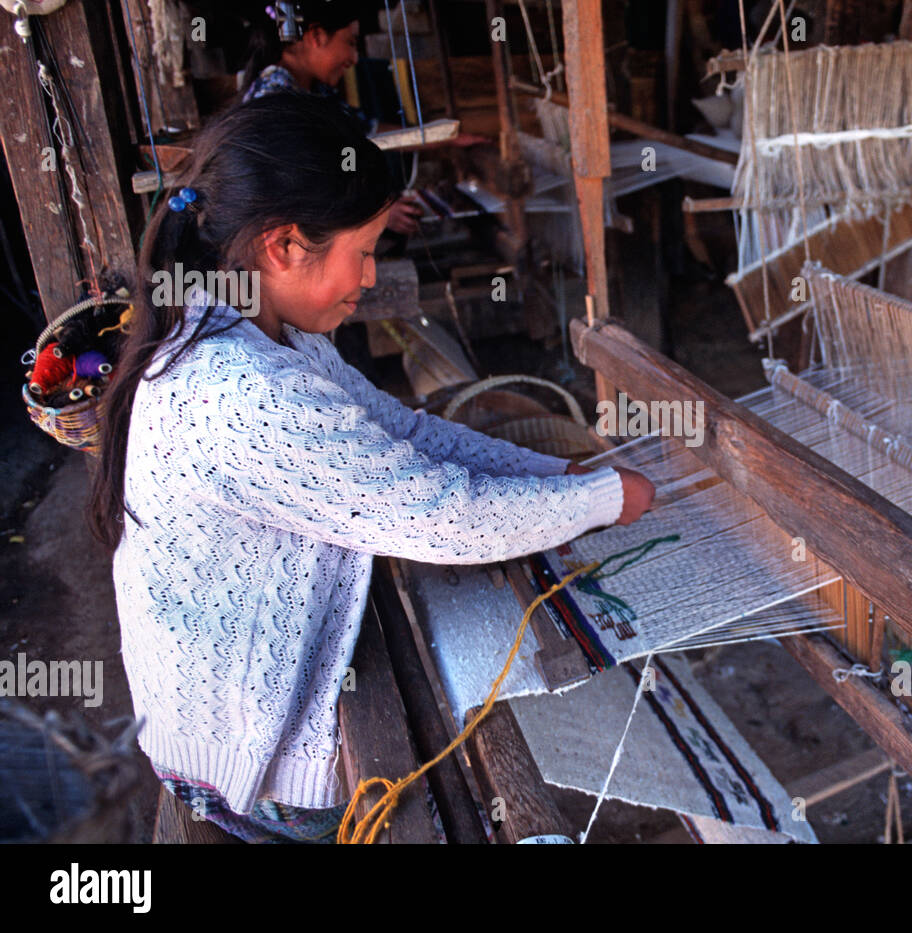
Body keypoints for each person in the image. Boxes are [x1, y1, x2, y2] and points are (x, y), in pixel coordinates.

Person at [87, 93, 655, 843]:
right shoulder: (247, 393)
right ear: (283, 245)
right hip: (246, 766)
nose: (369, 275)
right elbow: (444, 516)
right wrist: (605, 498)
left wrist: (558, 474)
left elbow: (406, 432)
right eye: (364, 249)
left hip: (236, 709)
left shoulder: (260, 330)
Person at [242, 0, 424, 235]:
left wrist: (448, 136)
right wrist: (377, 212)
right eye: (350, 42)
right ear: (317, 36)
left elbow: (367, 132)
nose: (355, 58)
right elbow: (298, 188)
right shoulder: (275, 101)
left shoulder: (314, 93)